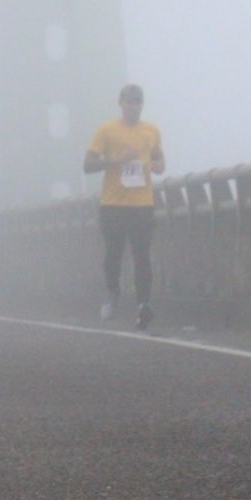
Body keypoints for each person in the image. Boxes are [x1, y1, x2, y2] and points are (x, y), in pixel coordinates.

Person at [85, 83, 165, 331]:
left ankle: (143, 305)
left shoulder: (151, 131)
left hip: (142, 204)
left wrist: (153, 166)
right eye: (129, 102)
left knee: (142, 256)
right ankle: (113, 292)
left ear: (142, 104)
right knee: (114, 255)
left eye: (138, 102)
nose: (134, 107)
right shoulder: (107, 130)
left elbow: (160, 161)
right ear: (121, 103)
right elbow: (88, 165)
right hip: (113, 204)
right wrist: (115, 161)